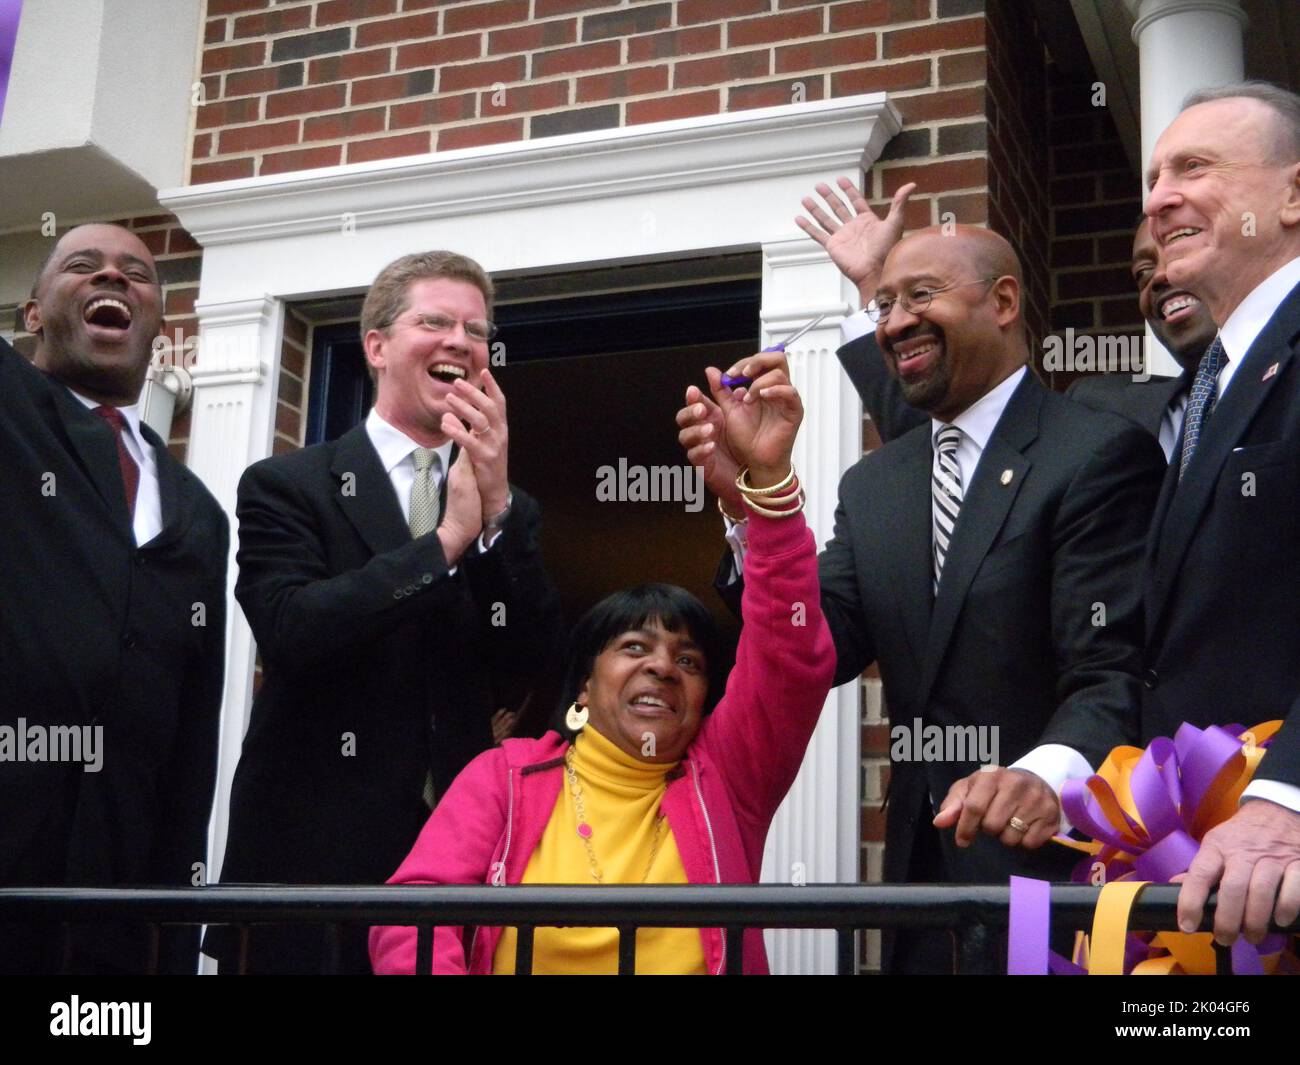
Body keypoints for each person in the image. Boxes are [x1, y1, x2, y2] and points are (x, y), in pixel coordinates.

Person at [679, 223, 1167, 972]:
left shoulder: (1094, 453)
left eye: (920, 295)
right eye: (882, 305)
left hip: (1056, 871)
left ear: (1003, 301)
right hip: (920, 883)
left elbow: (1111, 671)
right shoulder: (875, 484)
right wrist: (754, 504)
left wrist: (1041, 775)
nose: (895, 320)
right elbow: (816, 649)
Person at [370, 354, 835, 975]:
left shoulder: (727, 777)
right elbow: (415, 921)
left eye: (689, 660)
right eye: (635, 648)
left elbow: (789, 653)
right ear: (583, 688)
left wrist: (768, 485)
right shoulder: (503, 778)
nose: (664, 667)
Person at [207, 250, 563, 974]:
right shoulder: (289, 485)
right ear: (376, 346)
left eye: (475, 329)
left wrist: (493, 521)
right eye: (434, 321)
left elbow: (534, 660)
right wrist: (444, 544)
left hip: (455, 861)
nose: (460, 341)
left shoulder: (509, 506)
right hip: (311, 863)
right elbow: (294, 629)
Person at [0, 223, 228, 974]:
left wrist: (173, 921)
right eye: (83, 267)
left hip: (114, 905)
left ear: (160, 320)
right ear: (33, 314)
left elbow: (193, 738)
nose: (113, 279)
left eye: (137, 273)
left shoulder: (199, 512)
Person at [805, 178, 1215, 456]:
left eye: (1180, 247)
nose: (1160, 277)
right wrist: (876, 285)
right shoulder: (1104, 407)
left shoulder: (1278, 385)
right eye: (1142, 273)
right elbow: (954, 452)